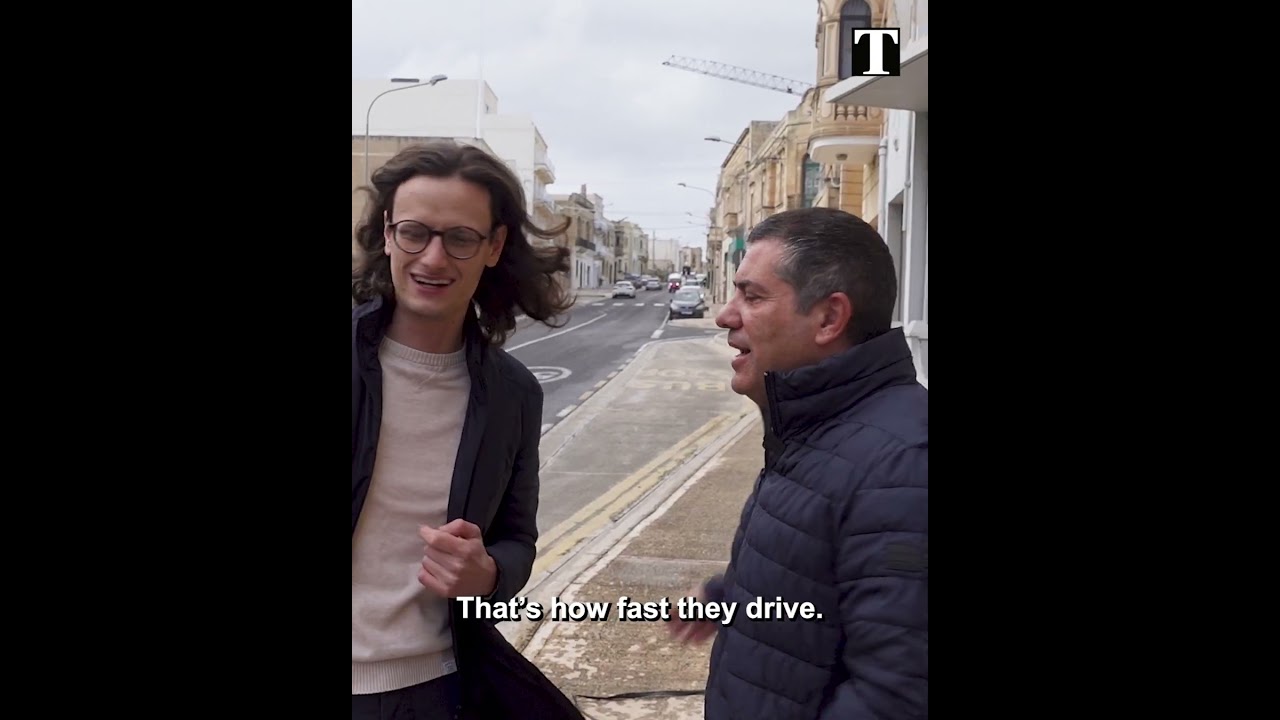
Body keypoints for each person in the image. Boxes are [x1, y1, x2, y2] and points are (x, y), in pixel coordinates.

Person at [351, 141, 585, 720]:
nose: (432, 259)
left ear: (493, 246)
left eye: (458, 238)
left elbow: (516, 540)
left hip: (437, 689)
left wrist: (488, 573)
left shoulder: (513, 395)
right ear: (387, 234)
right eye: (414, 232)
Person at [667, 207, 928, 719]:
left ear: (829, 318)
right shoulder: (818, 425)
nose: (725, 315)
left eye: (753, 295)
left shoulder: (903, 465)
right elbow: (822, 565)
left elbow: (895, 696)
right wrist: (731, 594)